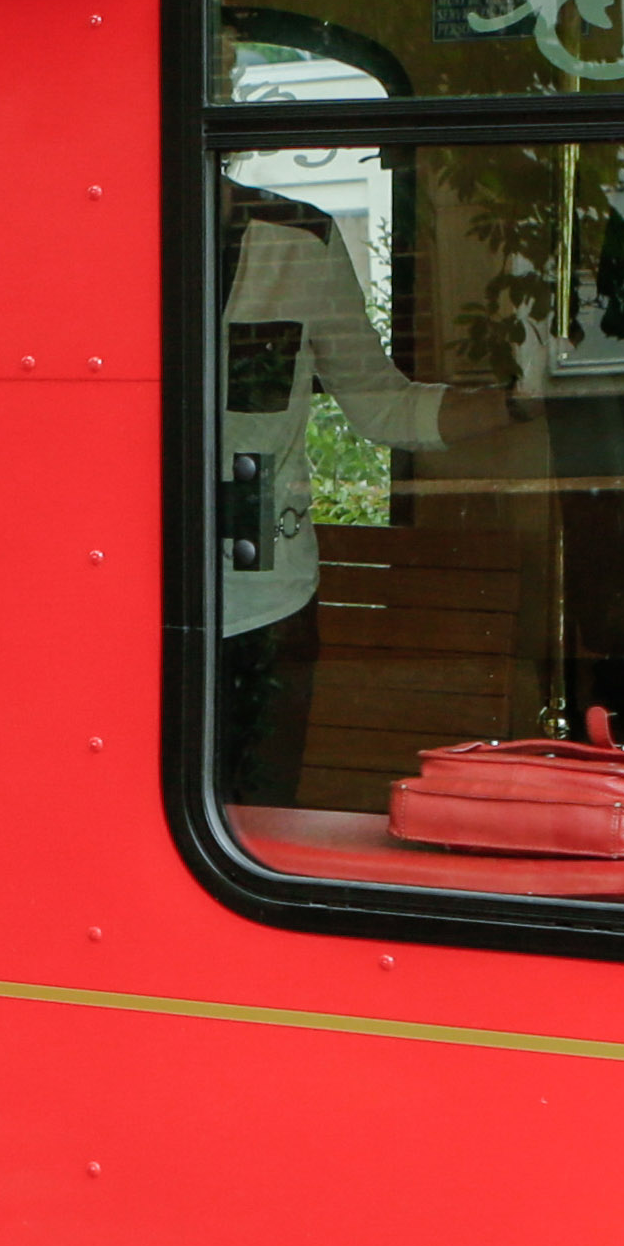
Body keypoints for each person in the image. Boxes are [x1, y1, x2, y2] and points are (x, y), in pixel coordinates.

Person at [214, 178, 462, 797]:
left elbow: (380, 406)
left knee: (257, 820)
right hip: (115, 596)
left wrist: (521, 404)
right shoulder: (95, 235)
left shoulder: (302, 236)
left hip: (265, 600)